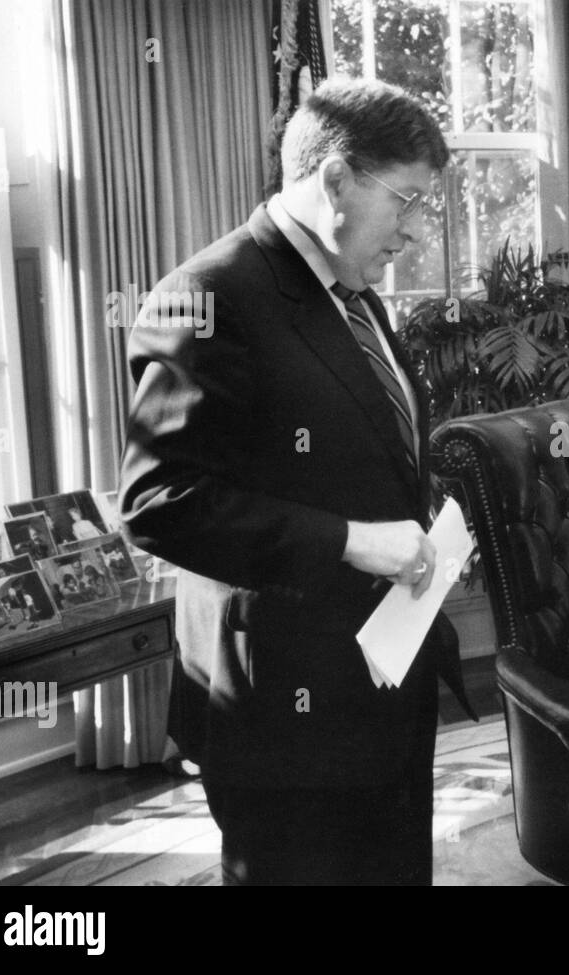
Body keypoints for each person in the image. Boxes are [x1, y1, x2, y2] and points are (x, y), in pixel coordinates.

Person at [119, 77, 472, 885]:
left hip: (382, 681)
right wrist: (352, 543)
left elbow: (358, 454)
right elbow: (158, 503)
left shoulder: (356, 295)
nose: (415, 230)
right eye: (407, 201)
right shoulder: (205, 298)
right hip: (284, 708)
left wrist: (425, 532)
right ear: (336, 177)